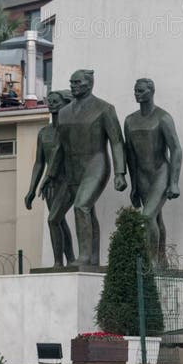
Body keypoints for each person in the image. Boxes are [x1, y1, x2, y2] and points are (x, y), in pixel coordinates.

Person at [48, 69, 126, 266]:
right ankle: (93, 258)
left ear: (89, 84)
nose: (73, 86)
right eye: (71, 82)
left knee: (81, 206)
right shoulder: (64, 113)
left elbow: (117, 142)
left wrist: (120, 172)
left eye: (78, 82)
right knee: (86, 211)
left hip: (96, 165)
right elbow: (60, 146)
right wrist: (51, 174)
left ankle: (84, 256)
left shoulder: (104, 109)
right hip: (72, 169)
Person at [124, 78, 182, 266]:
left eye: (141, 91)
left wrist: (174, 181)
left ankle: (152, 263)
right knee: (155, 216)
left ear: (151, 92)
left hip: (160, 173)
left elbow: (176, 149)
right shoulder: (130, 121)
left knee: (147, 216)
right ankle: (162, 258)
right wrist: (133, 186)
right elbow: (130, 156)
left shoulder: (162, 117)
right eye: (135, 91)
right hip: (141, 176)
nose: (137, 94)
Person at [24, 89, 75, 267]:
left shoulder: (71, 130)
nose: (51, 104)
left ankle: (61, 262)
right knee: (58, 220)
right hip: (50, 185)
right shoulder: (44, 133)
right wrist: (31, 189)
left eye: (56, 102)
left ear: (67, 104)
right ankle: (66, 260)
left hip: (69, 181)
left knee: (53, 219)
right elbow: (39, 163)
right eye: (49, 101)